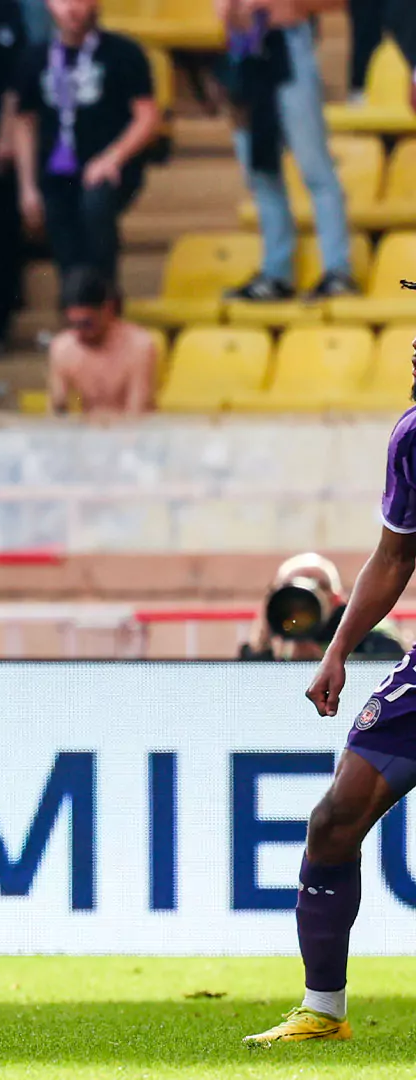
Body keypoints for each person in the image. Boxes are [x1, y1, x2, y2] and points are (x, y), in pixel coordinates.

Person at [256, 341, 416, 1045]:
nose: (415, 356)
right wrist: (339, 646)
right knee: (335, 818)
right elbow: (394, 555)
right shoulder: (413, 437)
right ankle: (324, 1010)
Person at [8, 0, 159, 284]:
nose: (71, 9)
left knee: (95, 207)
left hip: (110, 168)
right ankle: (75, 312)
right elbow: (24, 122)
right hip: (55, 170)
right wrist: (26, 186)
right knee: (64, 245)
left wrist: (113, 157)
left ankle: (107, 301)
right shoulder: (34, 57)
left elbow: (147, 116)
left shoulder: (124, 52)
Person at [220, 0, 357, 302]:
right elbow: (225, 14)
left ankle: (338, 270)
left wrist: (291, 5)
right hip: (244, 56)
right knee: (260, 171)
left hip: (289, 47)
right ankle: (276, 272)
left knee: (315, 166)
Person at [45, 267, 155, 416]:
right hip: (88, 434)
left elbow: (137, 414)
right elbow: (56, 411)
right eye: (74, 325)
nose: (79, 333)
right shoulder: (62, 348)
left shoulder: (140, 345)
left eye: (87, 324)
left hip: (135, 433)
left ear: (108, 309)